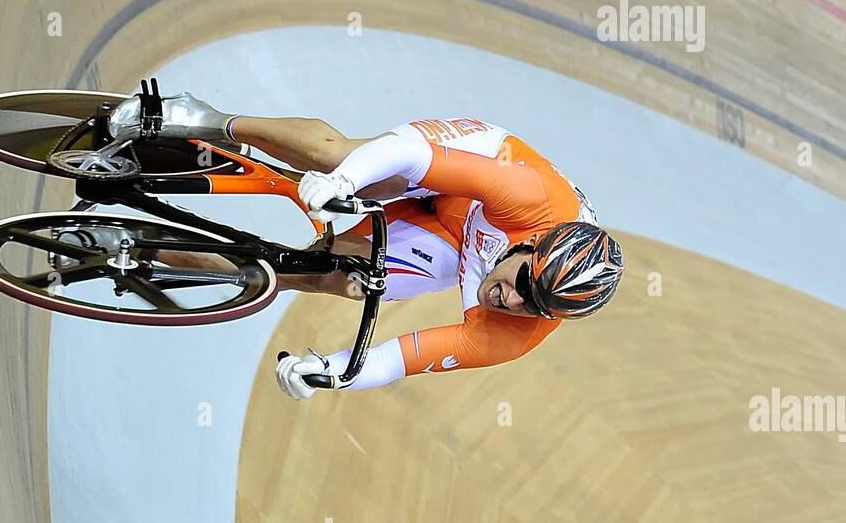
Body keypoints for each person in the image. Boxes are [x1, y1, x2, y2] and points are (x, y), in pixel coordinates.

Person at [108, 91, 624, 395]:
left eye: (532, 306)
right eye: (524, 283)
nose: (509, 301)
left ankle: (136, 248)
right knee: (340, 159)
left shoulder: (515, 333)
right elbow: (411, 156)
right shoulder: (529, 197)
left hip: (457, 240)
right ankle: (204, 119)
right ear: (532, 247)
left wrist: (329, 372)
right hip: (473, 164)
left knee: (323, 275)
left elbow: (401, 359)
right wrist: (342, 182)